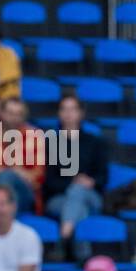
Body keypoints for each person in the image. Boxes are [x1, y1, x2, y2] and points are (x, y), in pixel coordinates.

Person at [44, 94, 109, 243]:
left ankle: (64, 236)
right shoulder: (51, 143)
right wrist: (73, 183)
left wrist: (91, 182)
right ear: (59, 113)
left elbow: (103, 177)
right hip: (59, 199)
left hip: (91, 196)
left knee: (79, 191)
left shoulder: (94, 142)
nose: (68, 114)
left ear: (81, 113)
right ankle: (82, 255)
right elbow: (49, 182)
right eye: (64, 109)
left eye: (73, 109)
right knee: (80, 209)